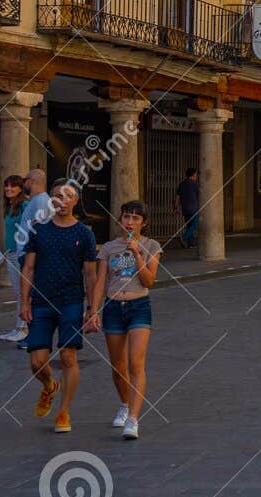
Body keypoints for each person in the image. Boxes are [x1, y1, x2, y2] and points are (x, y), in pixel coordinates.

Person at [20, 180, 101, 434]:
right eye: (57, 196)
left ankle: (64, 411)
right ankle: (49, 386)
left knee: (68, 356)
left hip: (71, 301)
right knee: (37, 362)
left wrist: (92, 308)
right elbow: (28, 268)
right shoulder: (38, 230)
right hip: (41, 301)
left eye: (68, 196)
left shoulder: (84, 234)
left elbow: (90, 274)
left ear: (76, 201)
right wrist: (24, 302)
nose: (62, 201)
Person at [100, 201, 161, 441]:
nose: (130, 222)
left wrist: (137, 252)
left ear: (143, 223)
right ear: (120, 220)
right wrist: (92, 311)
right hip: (113, 306)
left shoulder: (151, 246)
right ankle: (124, 405)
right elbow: (99, 282)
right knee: (118, 366)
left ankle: (133, 420)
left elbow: (149, 280)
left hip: (139, 306)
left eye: (136, 218)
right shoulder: (108, 248)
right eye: (126, 217)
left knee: (136, 363)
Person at [0, 169, 50, 343]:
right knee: (22, 292)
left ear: (31, 181)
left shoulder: (39, 201)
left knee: (25, 293)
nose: (23, 183)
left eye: (24, 180)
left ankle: (24, 328)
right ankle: (21, 327)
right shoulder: (35, 201)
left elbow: (43, 226)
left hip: (26, 254)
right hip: (19, 252)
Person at [174, 167, 199, 247]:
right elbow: (200, 196)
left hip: (185, 208)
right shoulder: (195, 184)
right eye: (196, 174)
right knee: (194, 224)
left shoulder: (182, 184)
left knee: (189, 225)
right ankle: (184, 237)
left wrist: (176, 207)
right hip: (193, 208)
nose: (196, 176)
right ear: (194, 174)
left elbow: (177, 197)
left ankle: (190, 244)